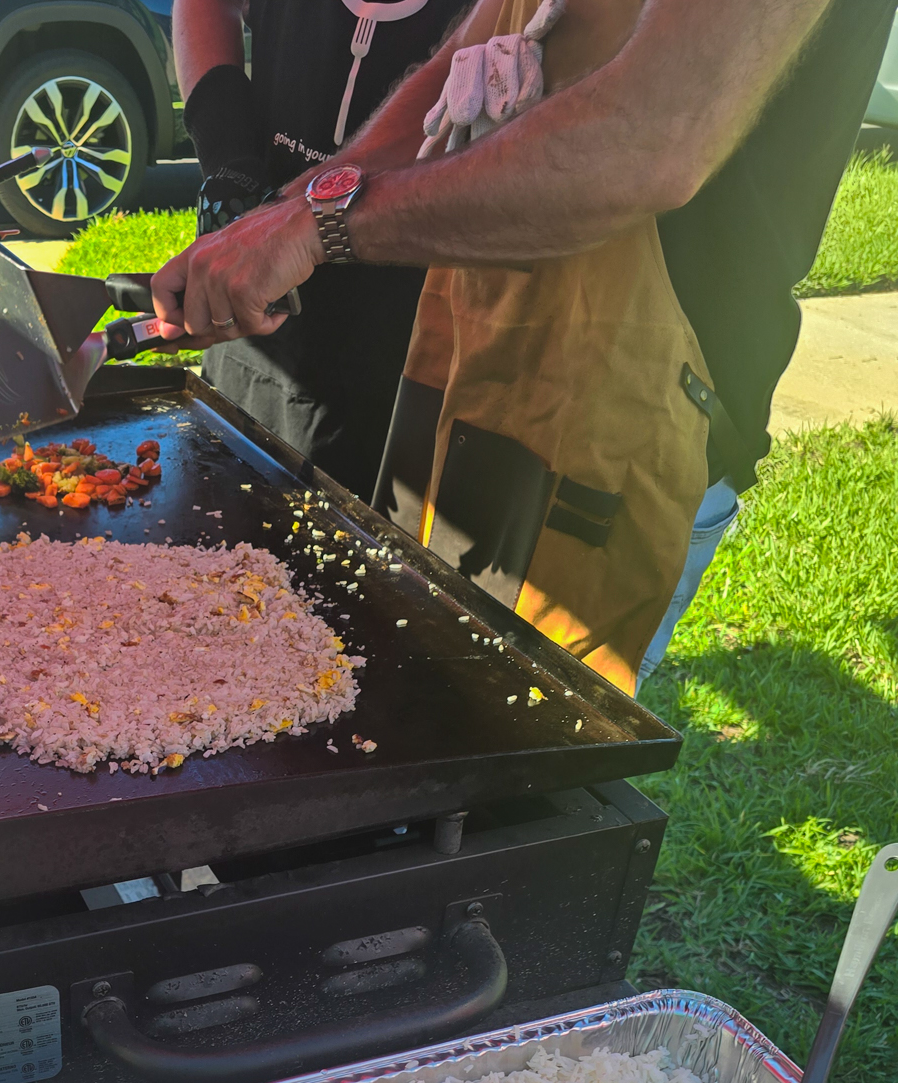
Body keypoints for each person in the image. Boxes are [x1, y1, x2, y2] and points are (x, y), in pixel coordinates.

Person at [154, 0, 897, 694]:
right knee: (378, 710)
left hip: (630, 431)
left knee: (496, 784)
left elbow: (650, 138)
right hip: (478, 389)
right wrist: (286, 215)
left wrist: (321, 227)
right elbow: (473, 52)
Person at [174, 0, 465, 499]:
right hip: (257, 334)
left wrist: (305, 217)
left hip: (417, 345)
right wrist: (230, 156)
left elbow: (454, 77)